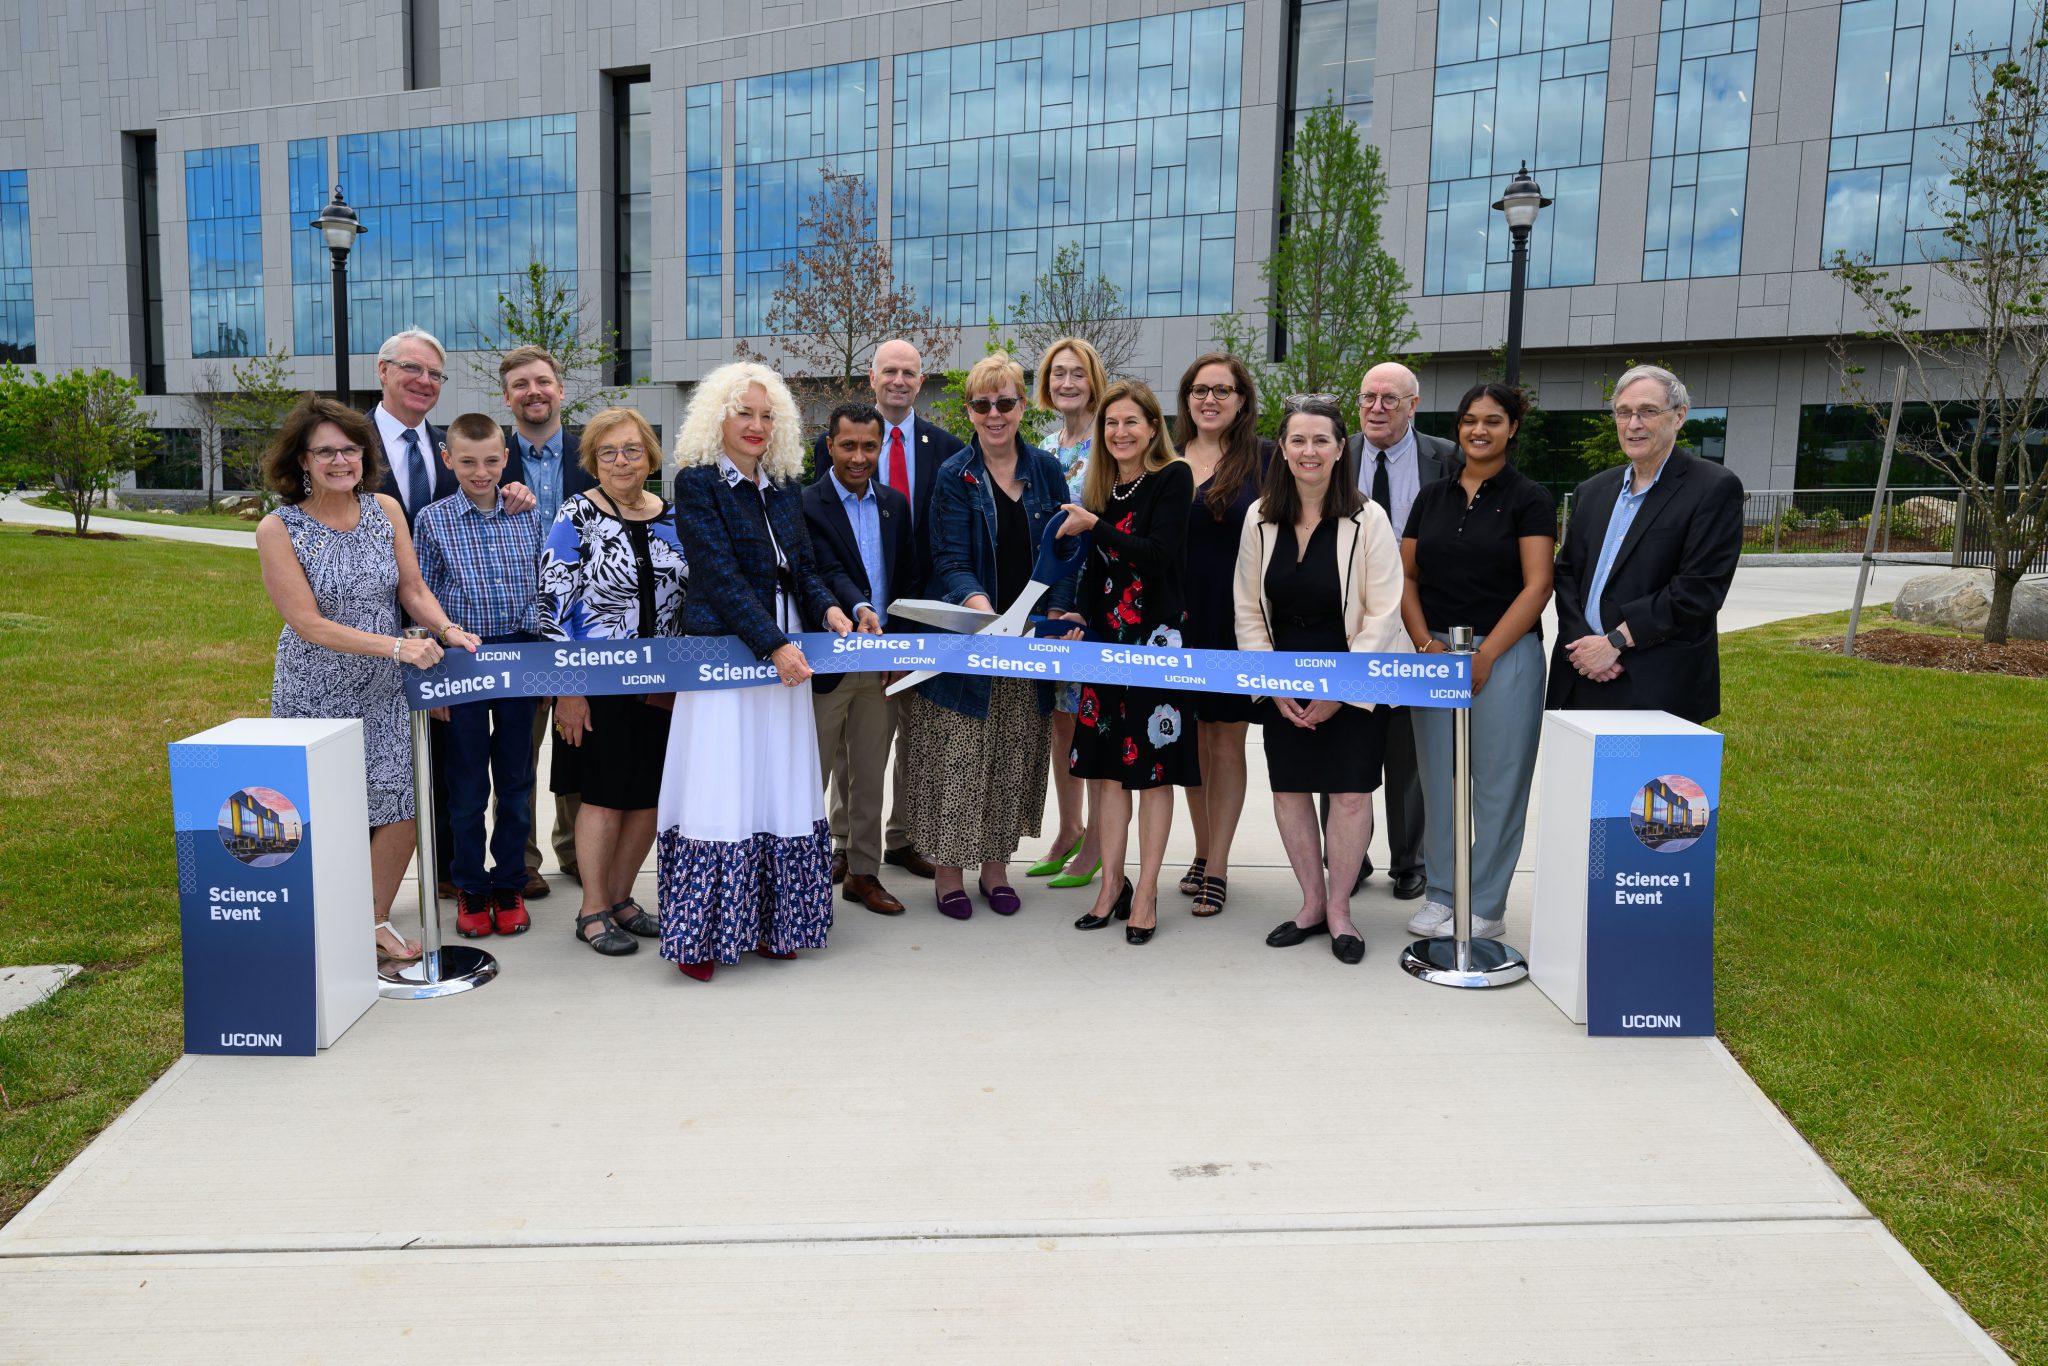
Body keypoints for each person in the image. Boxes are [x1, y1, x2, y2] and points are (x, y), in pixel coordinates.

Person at [255, 396, 480, 969]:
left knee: (402, 803)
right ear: (302, 460)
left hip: (383, 688)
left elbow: (412, 588)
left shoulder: (385, 509)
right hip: (315, 688)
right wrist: (398, 646)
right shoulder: (278, 528)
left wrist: (446, 628)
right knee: (327, 810)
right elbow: (306, 623)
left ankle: (374, 920)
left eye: (350, 450)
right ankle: (325, 923)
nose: (340, 461)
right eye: (325, 451)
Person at [661, 363, 853, 981]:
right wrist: (773, 645)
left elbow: (803, 568)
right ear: (718, 416)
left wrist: (830, 610)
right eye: (744, 412)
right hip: (728, 659)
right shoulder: (697, 483)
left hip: (784, 663)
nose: (757, 425)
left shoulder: (784, 486)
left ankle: (775, 922)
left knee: (777, 783)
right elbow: (717, 575)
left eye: (768, 415)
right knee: (721, 784)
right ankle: (700, 936)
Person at [901, 352, 1076, 920]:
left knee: (1012, 756)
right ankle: (949, 873)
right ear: (970, 410)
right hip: (971, 644)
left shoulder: (1047, 470)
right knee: (960, 758)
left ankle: (996, 869)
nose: (994, 414)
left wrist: (1058, 616)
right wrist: (987, 615)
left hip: (1029, 645)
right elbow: (950, 560)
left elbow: (1066, 553)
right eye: (982, 404)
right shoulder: (955, 474)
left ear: (1023, 405)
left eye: (1005, 402)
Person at [1234, 398, 1406, 966]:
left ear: (1339, 449)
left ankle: (1339, 910)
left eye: (1321, 441)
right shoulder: (1259, 516)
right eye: (1298, 440)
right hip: (1284, 676)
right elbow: (1247, 608)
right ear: (1282, 449)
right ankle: (1310, 904)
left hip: (1352, 675)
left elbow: (1383, 613)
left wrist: (1341, 691)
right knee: (1290, 791)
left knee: (1351, 795)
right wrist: (1271, 683)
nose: (1309, 451)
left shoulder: (1368, 518)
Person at [1400, 383, 1556, 941]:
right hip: (1436, 655)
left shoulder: (1530, 497)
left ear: (1512, 428)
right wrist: (1425, 644)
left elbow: (1538, 585)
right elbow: (1407, 577)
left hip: (1506, 654)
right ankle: (1442, 894)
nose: (1478, 430)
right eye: (1469, 420)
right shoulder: (1431, 497)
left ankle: (1486, 902)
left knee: (1497, 785)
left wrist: (1486, 655)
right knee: (1439, 783)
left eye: (1492, 420)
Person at [809, 338, 964, 881]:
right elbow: (822, 549)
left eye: (909, 372)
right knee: (842, 748)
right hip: (841, 631)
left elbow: (927, 553)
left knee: (898, 741)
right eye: (889, 371)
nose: (899, 380)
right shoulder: (834, 448)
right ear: (872, 378)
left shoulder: (945, 448)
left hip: (909, 621)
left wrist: (906, 634)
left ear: (921, 381)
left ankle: (896, 840)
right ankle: (842, 843)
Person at [1053, 379, 1198, 946]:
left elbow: (1158, 556)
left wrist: (1097, 526)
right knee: (1108, 773)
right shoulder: (1101, 487)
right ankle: (1111, 884)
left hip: (1157, 642)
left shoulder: (1173, 477)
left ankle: (1147, 893)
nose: (1120, 432)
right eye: (1111, 423)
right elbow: (1097, 569)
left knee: (1153, 774)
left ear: (1152, 427)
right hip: (1105, 643)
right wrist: (1079, 615)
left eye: (1131, 421)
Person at [538, 407, 686, 958]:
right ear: (593, 462)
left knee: (648, 798)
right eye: (608, 452)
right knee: (602, 797)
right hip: (596, 685)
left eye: (631, 450)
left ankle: (622, 899)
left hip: (663, 684)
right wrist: (568, 690)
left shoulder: (673, 516)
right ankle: (592, 909)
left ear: (651, 456)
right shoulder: (576, 514)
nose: (621, 461)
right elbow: (552, 607)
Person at [1549, 364, 1745, 724]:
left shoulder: (1713, 488)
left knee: (1647, 770)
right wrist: (1583, 646)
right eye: (1623, 412)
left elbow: (1697, 591)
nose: (1633, 424)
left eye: (1648, 411)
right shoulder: (1592, 491)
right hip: (1582, 673)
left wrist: (1614, 642)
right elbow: (1566, 573)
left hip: (1657, 683)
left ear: (1679, 416)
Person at [413, 413, 544, 940]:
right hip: (461, 659)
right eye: (467, 462)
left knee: (516, 781)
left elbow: (545, 585)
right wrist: (434, 679)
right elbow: (419, 595)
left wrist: (544, 664)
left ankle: (508, 881)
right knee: (466, 785)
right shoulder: (432, 520)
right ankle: (469, 883)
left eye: (491, 460)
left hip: (518, 657)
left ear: (505, 458)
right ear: (448, 460)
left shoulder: (526, 513)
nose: (481, 471)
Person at [1334, 361, 1460, 902]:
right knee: (1344, 734)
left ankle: (1410, 860)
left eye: (1390, 398)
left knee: (1409, 747)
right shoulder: (1334, 455)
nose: (1377, 408)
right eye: (1368, 397)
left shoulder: (1447, 458)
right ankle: (1349, 854)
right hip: (1347, 622)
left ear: (1414, 405)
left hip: (1417, 620)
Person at [803, 402, 915, 917]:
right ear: (829, 445)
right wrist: (856, 608)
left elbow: (907, 580)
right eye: (848, 445)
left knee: (870, 773)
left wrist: (902, 649)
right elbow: (819, 571)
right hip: (826, 662)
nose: (858, 457)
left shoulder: (894, 504)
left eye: (869, 446)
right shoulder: (806, 504)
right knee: (812, 774)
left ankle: (863, 873)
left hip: (883, 660)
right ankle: (803, 874)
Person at [499, 345, 596, 899]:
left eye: (541, 381)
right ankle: (522, 858)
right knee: (519, 754)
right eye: (520, 385)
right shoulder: (489, 458)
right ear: (507, 398)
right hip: (515, 629)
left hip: (586, 625)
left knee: (580, 744)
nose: (532, 392)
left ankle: (578, 851)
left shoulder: (594, 452)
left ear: (560, 389)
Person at [1173, 352, 1268, 918]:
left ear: (1241, 400)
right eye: (1200, 390)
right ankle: (1203, 849)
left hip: (1235, 621)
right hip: (1174, 623)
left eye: (1222, 390)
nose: (1210, 400)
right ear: (1186, 399)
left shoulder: (1265, 460)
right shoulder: (1164, 458)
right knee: (1189, 742)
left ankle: (1219, 867)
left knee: (1226, 743)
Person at [1030, 336, 1108, 890]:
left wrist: (1084, 608)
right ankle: (1069, 828)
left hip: (1095, 602)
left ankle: (1099, 841)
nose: (1067, 383)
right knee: (1060, 721)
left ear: (1093, 379)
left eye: (1077, 373)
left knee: (1094, 719)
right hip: (1047, 603)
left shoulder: (1112, 441)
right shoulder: (1042, 447)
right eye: (1058, 373)